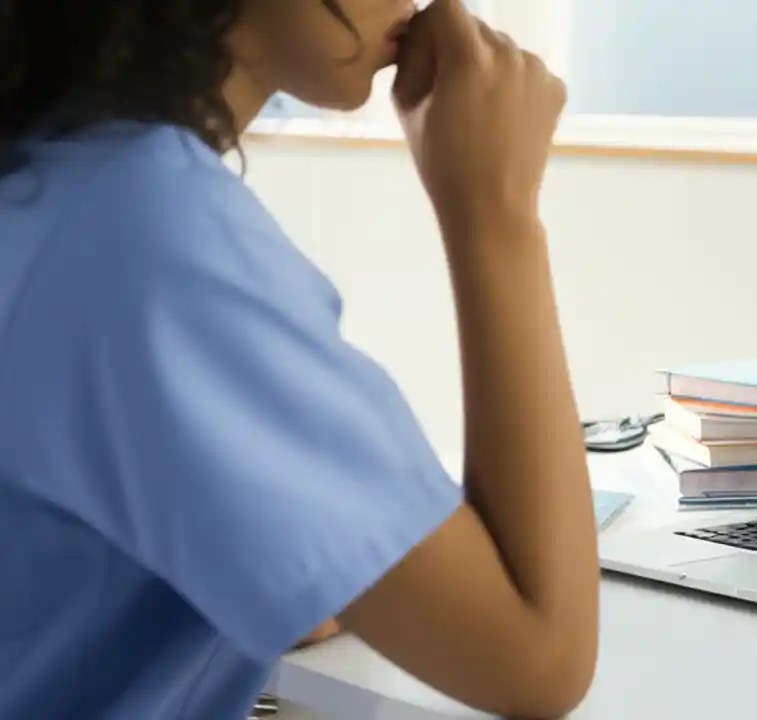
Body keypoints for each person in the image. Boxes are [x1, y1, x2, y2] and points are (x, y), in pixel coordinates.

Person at [0, 0, 599, 717]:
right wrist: (497, 210)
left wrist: (320, 563)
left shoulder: (52, 173)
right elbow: (536, 662)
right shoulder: (145, 225)